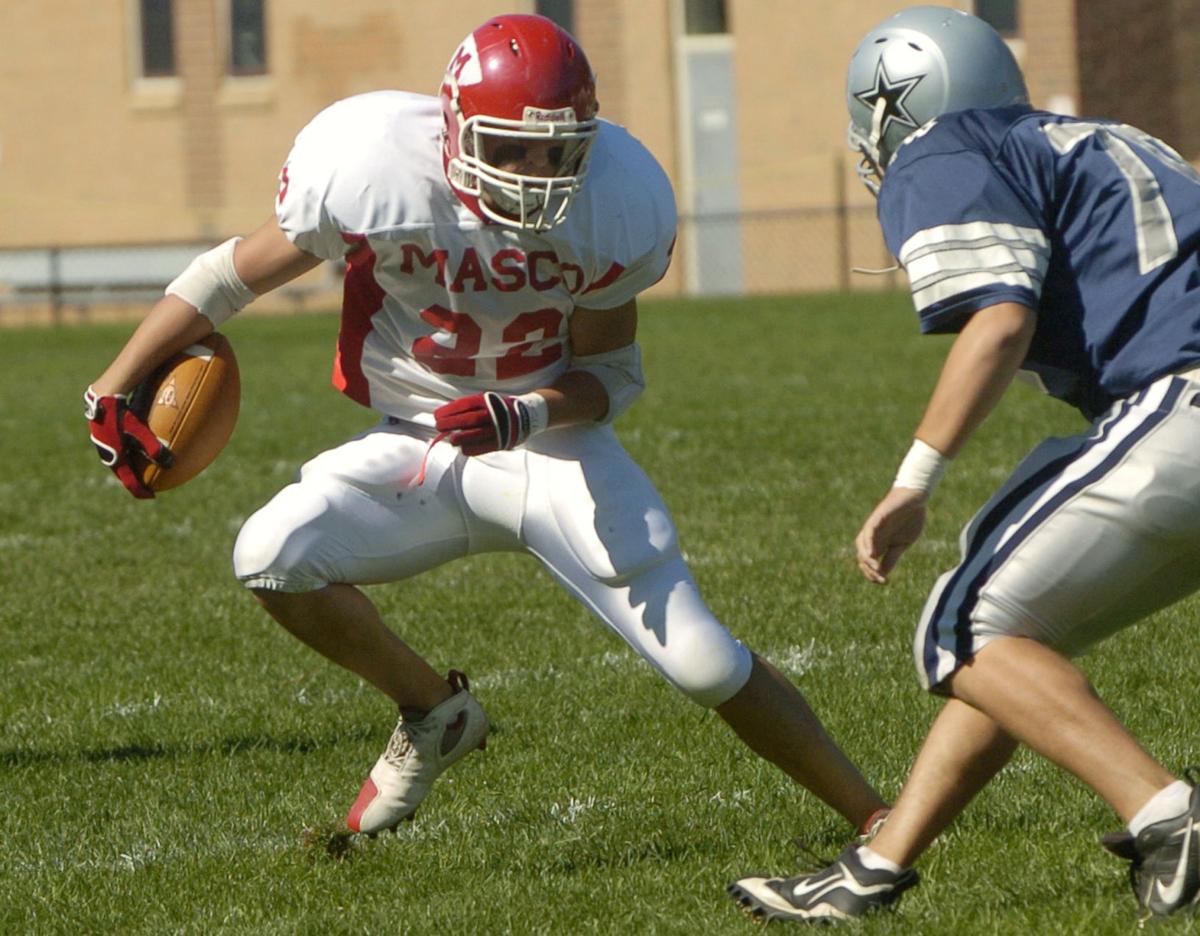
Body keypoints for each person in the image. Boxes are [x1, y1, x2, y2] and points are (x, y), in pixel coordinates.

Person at [84, 14, 887, 839]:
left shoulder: (615, 201)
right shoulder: (373, 166)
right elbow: (227, 277)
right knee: (271, 553)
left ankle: (877, 819)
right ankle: (434, 710)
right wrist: (111, 386)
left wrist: (524, 411)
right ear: (455, 129)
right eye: (509, 150)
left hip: (549, 447)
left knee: (702, 660)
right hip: (415, 439)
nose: (536, 177)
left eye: (557, 153)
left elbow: (609, 376)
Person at [728, 4, 1200, 923]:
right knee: (1013, 637)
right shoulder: (1106, 136)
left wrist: (913, 481)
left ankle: (1165, 813)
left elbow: (1001, 317)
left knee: (966, 627)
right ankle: (875, 868)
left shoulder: (943, 145)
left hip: (1179, 398)